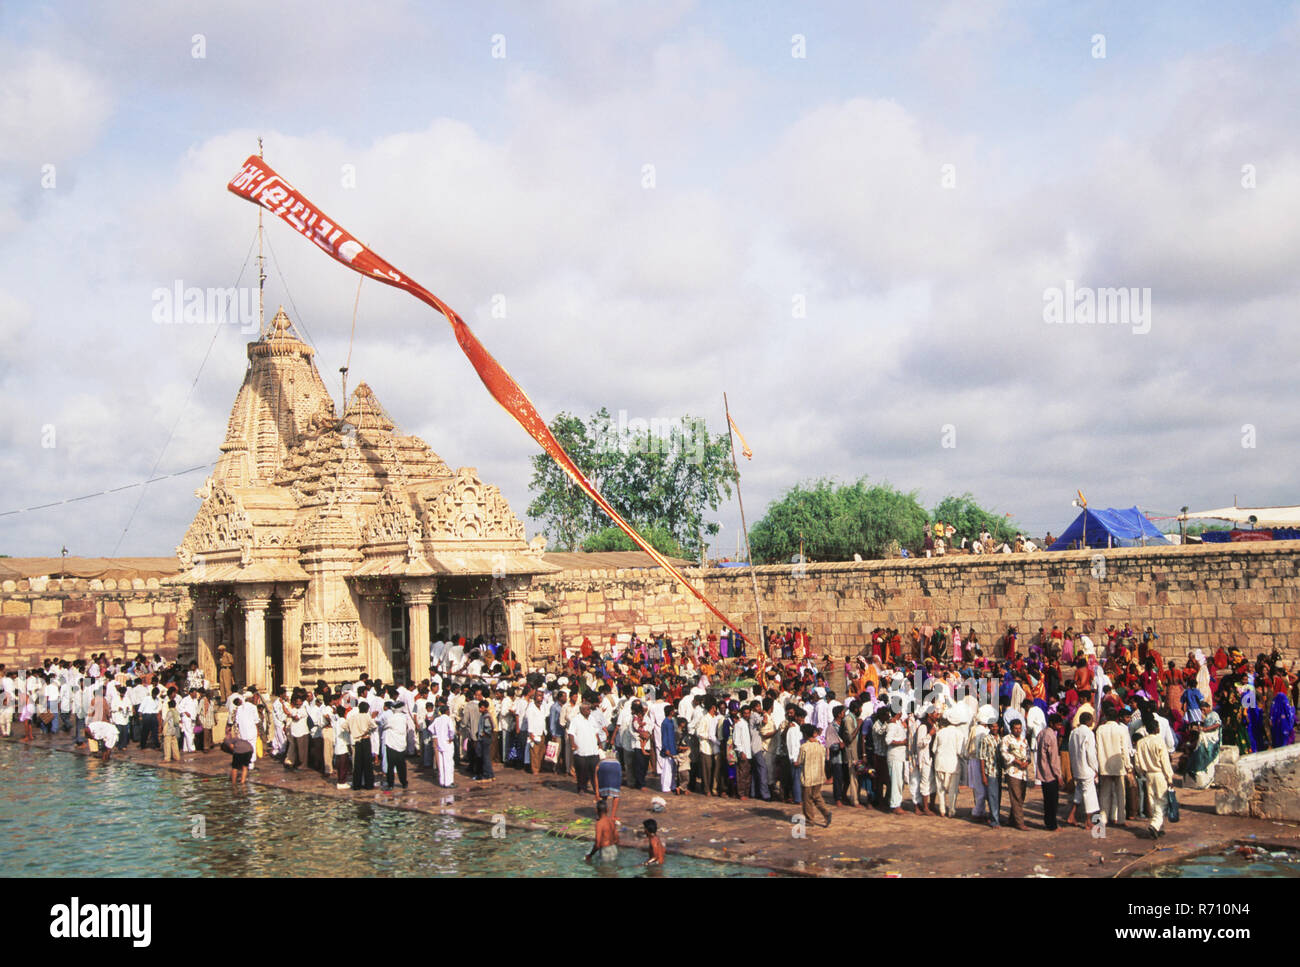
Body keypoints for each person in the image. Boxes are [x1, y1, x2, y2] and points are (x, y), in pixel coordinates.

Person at [1134, 713, 1175, 839]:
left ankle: (1158, 826)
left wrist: (1141, 772)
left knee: (1152, 801)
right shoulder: (1159, 741)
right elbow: (1165, 762)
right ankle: (1155, 824)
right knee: (1162, 800)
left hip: (1148, 775)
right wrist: (1169, 778)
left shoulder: (1141, 743)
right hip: (1159, 774)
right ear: (1157, 729)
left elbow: (1137, 761)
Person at [1095, 708, 1133, 828]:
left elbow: (1097, 748)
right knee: (1120, 794)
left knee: (1104, 793)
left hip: (1104, 764)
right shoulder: (1121, 730)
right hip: (1118, 765)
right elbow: (1124, 749)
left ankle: (1103, 818)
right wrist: (1128, 766)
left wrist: (1097, 766)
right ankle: (1120, 818)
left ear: (1105, 716)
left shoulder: (1100, 730)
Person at [1068, 711, 1101, 829]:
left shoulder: (1073, 733)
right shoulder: (1088, 733)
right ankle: (1088, 821)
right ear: (1088, 721)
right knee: (1089, 795)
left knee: (1079, 791)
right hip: (1086, 768)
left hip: (1077, 767)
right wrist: (1095, 768)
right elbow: (1091, 753)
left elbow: (1071, 749)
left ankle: (1072, 815)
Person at [797, 723, 833, 828]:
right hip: (819, 776)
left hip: (808, 777)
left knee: (807, 800)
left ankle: (810, 820)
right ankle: (826, 812)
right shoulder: (820, 746)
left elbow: (800, 761)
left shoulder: (804, 747)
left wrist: (797, 763)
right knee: (817, 796)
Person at [1001, 719, 1031, 830]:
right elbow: (1004, 753)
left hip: (1023, 772)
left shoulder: (1024, 739)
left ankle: (1012, 819)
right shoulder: (1006, 739)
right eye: (1016, 728)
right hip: (1013, 771)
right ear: (1011, 728)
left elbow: (1028, 753)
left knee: (1021, 797)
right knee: (1016, 797)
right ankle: (1020, 822)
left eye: (1019, 728)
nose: (1018, 730)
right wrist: (1017, 762)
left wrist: (1026, 762)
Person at [1186, 700, 1221, 789]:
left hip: (1213, 737)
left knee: (1202, 745)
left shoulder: (1214, 714)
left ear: (1208, 708)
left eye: (1203, 709)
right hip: (1207, 735)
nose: (1202, 711)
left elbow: (1217, 724)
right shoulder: (1206, 716)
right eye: (1201, 710)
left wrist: (1206, 729)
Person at [1036, 713, 1063, 830]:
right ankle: (1052, 824)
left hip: (1043, 772)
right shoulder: (1051, 736)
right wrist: (1059, 775)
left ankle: (1049, 822)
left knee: (1047, 800)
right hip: (1050, 773)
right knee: (1052, 801)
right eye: (1058, 724)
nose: (1060, 726)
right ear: (1052, 724)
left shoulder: (1042, 733)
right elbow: (1053, 759)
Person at [348, 701, 376, 790]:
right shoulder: (367, 717)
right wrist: (367, 731)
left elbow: (344, 725)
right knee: (367, 763)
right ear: (367, 709)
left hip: (357, 740)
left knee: (358, 763)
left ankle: (357, 784)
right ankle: (369, 784)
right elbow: (374, 726)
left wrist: (352, 731)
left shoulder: (353, 717)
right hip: (365, 739)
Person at [585, 799, 619, 865]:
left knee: (603, 872)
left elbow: (597, 843)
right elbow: (617, 839)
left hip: (605, 851)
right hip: (614, 849)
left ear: (596, 810)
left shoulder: (599, 823)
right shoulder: (611, 821)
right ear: (608, 810)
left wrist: (590, 855)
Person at [432, 704, 456, 787]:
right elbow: (452, 730)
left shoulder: (437, 719)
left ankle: (442, 781)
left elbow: (430, 728)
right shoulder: (448, 719)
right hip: (447, 742)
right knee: (448, 763)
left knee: (441, 763)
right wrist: (451, 737)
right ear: (446, 711)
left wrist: (437, 735)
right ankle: (448, 782)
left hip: (440, 742)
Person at [596, 749, 623, 820]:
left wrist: (597, 791)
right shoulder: (615, 761)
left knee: (603, 794)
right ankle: (612, 816)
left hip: (606, 767)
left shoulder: (599, 764)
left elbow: (596, 779)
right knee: (616, 794)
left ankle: (601, 815)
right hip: (616, 767)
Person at [474, 699, 495, 781]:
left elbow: (489, 727)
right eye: (479, 707)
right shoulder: (483, 715)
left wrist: (484, 733)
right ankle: (490, 774)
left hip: (485, 739)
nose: (480, 709)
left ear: (486, 708)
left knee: (485, 757)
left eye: (482, 708)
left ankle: (487, 775)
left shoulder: (486, 716)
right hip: (483, 738)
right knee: (485, 756)